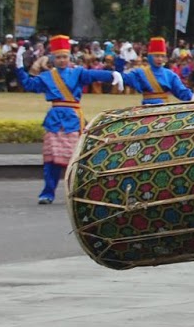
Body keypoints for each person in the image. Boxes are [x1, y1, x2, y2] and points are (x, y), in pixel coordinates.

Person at [15, 36, 124, 204]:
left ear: (69, 57)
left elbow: (93, 75)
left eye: (64, 57)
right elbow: (29, 85)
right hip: (54, 120)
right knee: (51, 159)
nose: (62, 60)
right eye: (58, 57)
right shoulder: (46, 77)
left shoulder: (78, 72)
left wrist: (112, 75)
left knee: (74, 158)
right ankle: (48, 193)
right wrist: (19, 68)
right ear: (53, 59)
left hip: (73, 119)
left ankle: (77, 192)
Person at [122, 37, 194, 105]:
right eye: (156, 56)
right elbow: (124, 78)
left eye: (162, 56)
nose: (160, 59)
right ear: (150, 57)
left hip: (163, 109)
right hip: (146, 108)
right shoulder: (140, 72)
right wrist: (113, 74)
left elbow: (182, 91)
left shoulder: (170, 74)